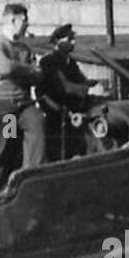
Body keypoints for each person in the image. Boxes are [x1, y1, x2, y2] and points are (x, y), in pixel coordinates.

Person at [0, 3, 46, 194]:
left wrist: (20, 71)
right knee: (2, 150)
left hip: (20, 107)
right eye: (24, 20)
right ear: (12, 20)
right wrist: (23, 71)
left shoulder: (24, 49)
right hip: (1, 109)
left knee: (37, 123)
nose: (27, 25)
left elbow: (38, 75)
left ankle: (31, 180)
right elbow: (5, 67)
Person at [38, 23, 95, 159]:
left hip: (74, 111)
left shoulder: (70, 62)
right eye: (69, 39)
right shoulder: (49, 61)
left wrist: (92, 84)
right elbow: (64, 87)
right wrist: (84, 89)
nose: (73, 42)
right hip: (57, 112)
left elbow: (80, 80)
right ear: (57, 41)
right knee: (60, 151)